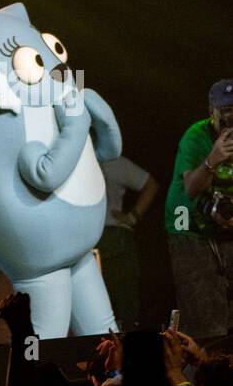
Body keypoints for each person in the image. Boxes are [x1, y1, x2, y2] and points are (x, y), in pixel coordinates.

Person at [164, 79, 233, 339]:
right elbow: (192, 188)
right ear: (211, 111)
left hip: (225, 223)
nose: (230, 116)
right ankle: (202, 368)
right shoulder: (196, 136)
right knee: (205, 314)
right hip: (188, 225)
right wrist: (212, 159)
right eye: (225, 109)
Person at [98, 154, 158, 331]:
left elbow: (151, 185)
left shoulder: (112, 161)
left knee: (124, 303)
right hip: (82, 241)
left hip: (114, 236)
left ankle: (127, 352)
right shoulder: (71, 161)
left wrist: (133, 217)